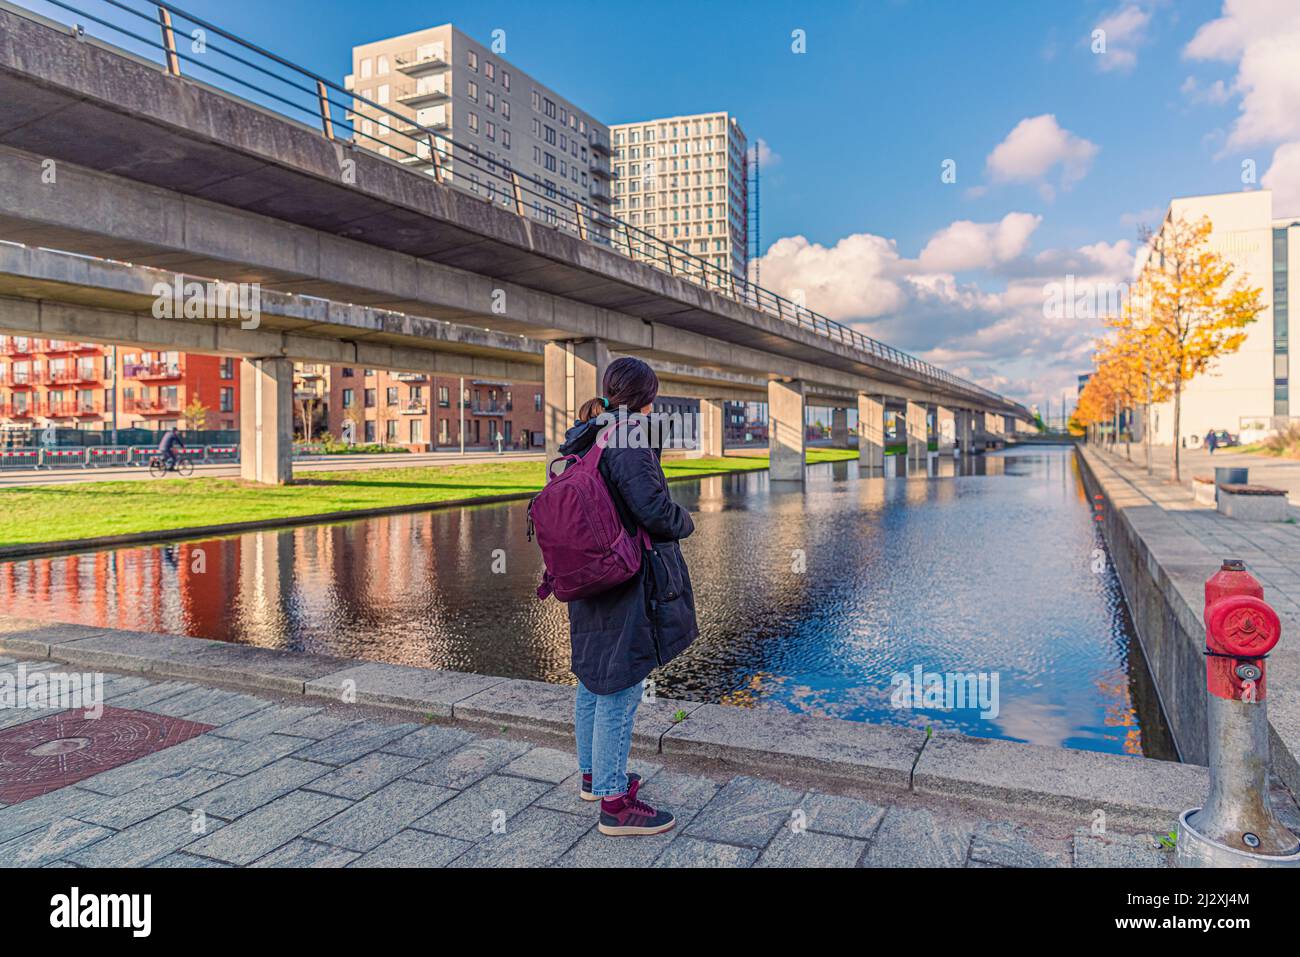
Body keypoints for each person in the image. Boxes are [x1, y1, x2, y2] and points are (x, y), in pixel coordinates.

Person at [556, 357, 698, 837]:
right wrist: (686, 522)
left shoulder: (587, 432)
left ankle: (595, 777)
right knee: (621, 679)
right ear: (648, 397)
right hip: (622, 573)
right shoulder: (629, 435)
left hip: (586, 570)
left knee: (593, 673)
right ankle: (615, 804)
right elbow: (653, 509)